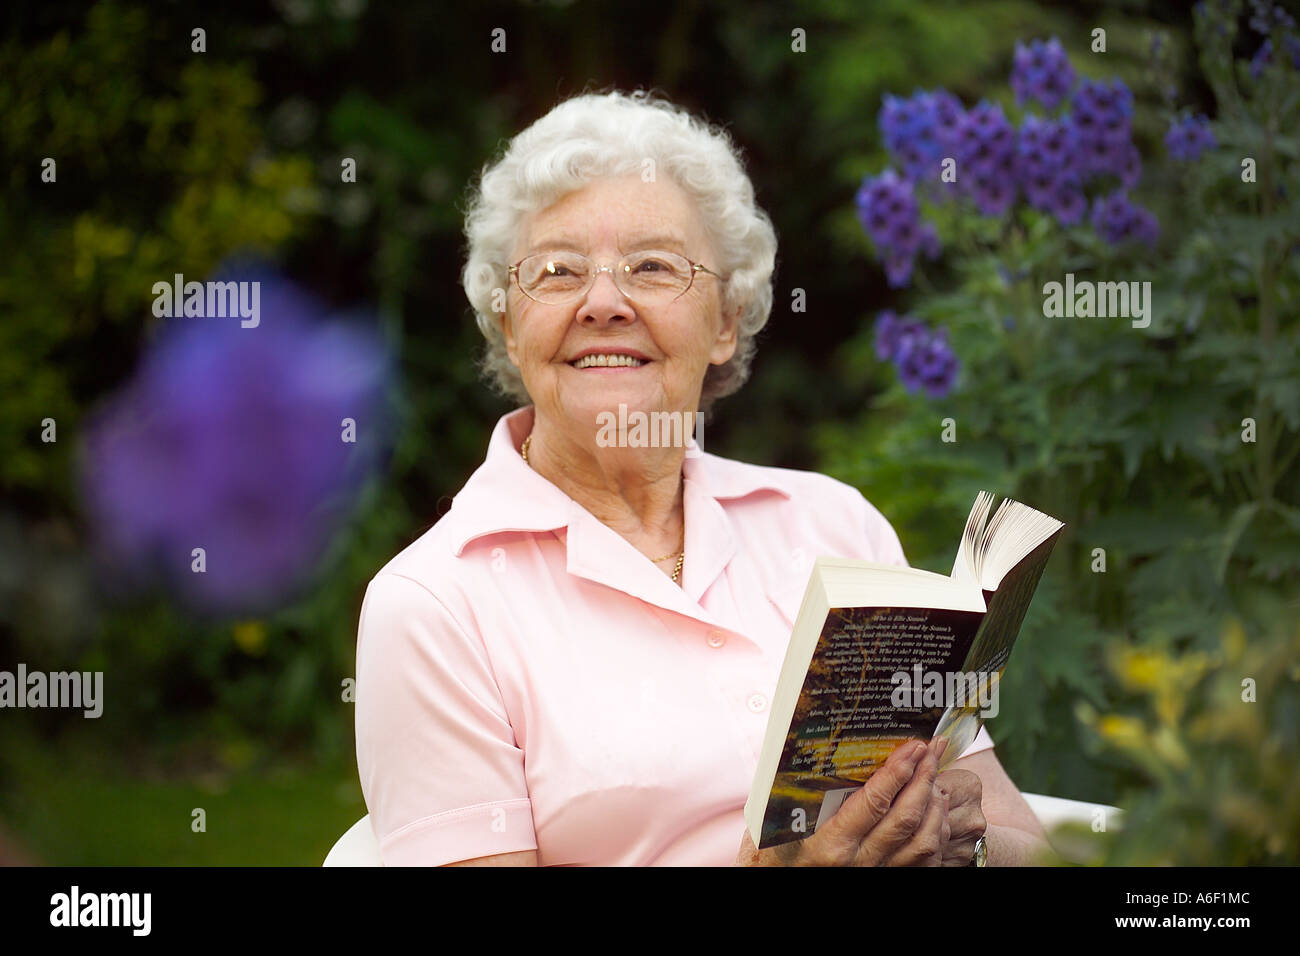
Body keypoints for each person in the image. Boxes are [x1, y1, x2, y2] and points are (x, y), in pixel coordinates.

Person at [354, 89, 1051, 866]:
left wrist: (962, 832)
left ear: (725, 321)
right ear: (511, 327)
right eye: (558, 271)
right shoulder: (434, 606)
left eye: (652, 266)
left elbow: (1031, 842)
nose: (604, 302)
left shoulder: (832, 524)